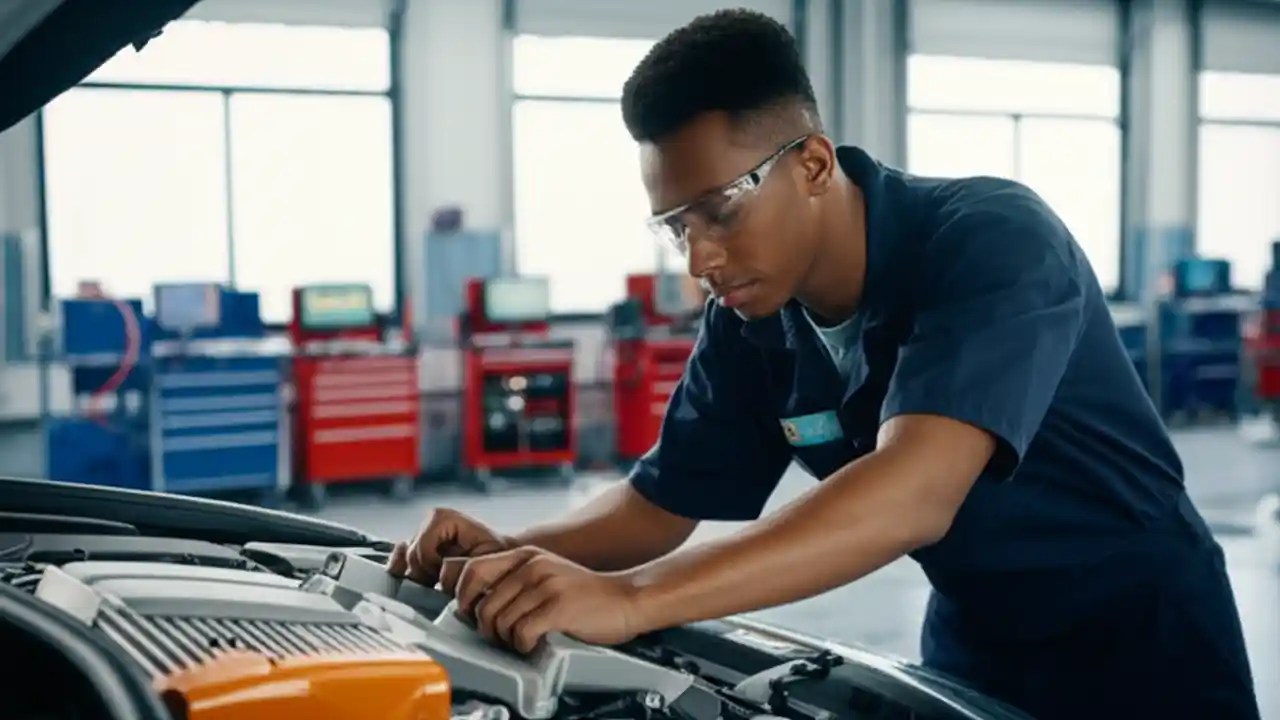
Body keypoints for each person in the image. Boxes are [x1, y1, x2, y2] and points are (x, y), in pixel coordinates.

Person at [388, 9, 1260, 719]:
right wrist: (512, 553)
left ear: (810, 163)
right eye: (676, 227)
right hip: (979, 634)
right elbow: (662, 504)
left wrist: (634, 601)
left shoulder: (993, 239)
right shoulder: (757, 315)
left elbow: (912, 493)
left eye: (717, 211)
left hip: (1141, 638)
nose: (699, 260)